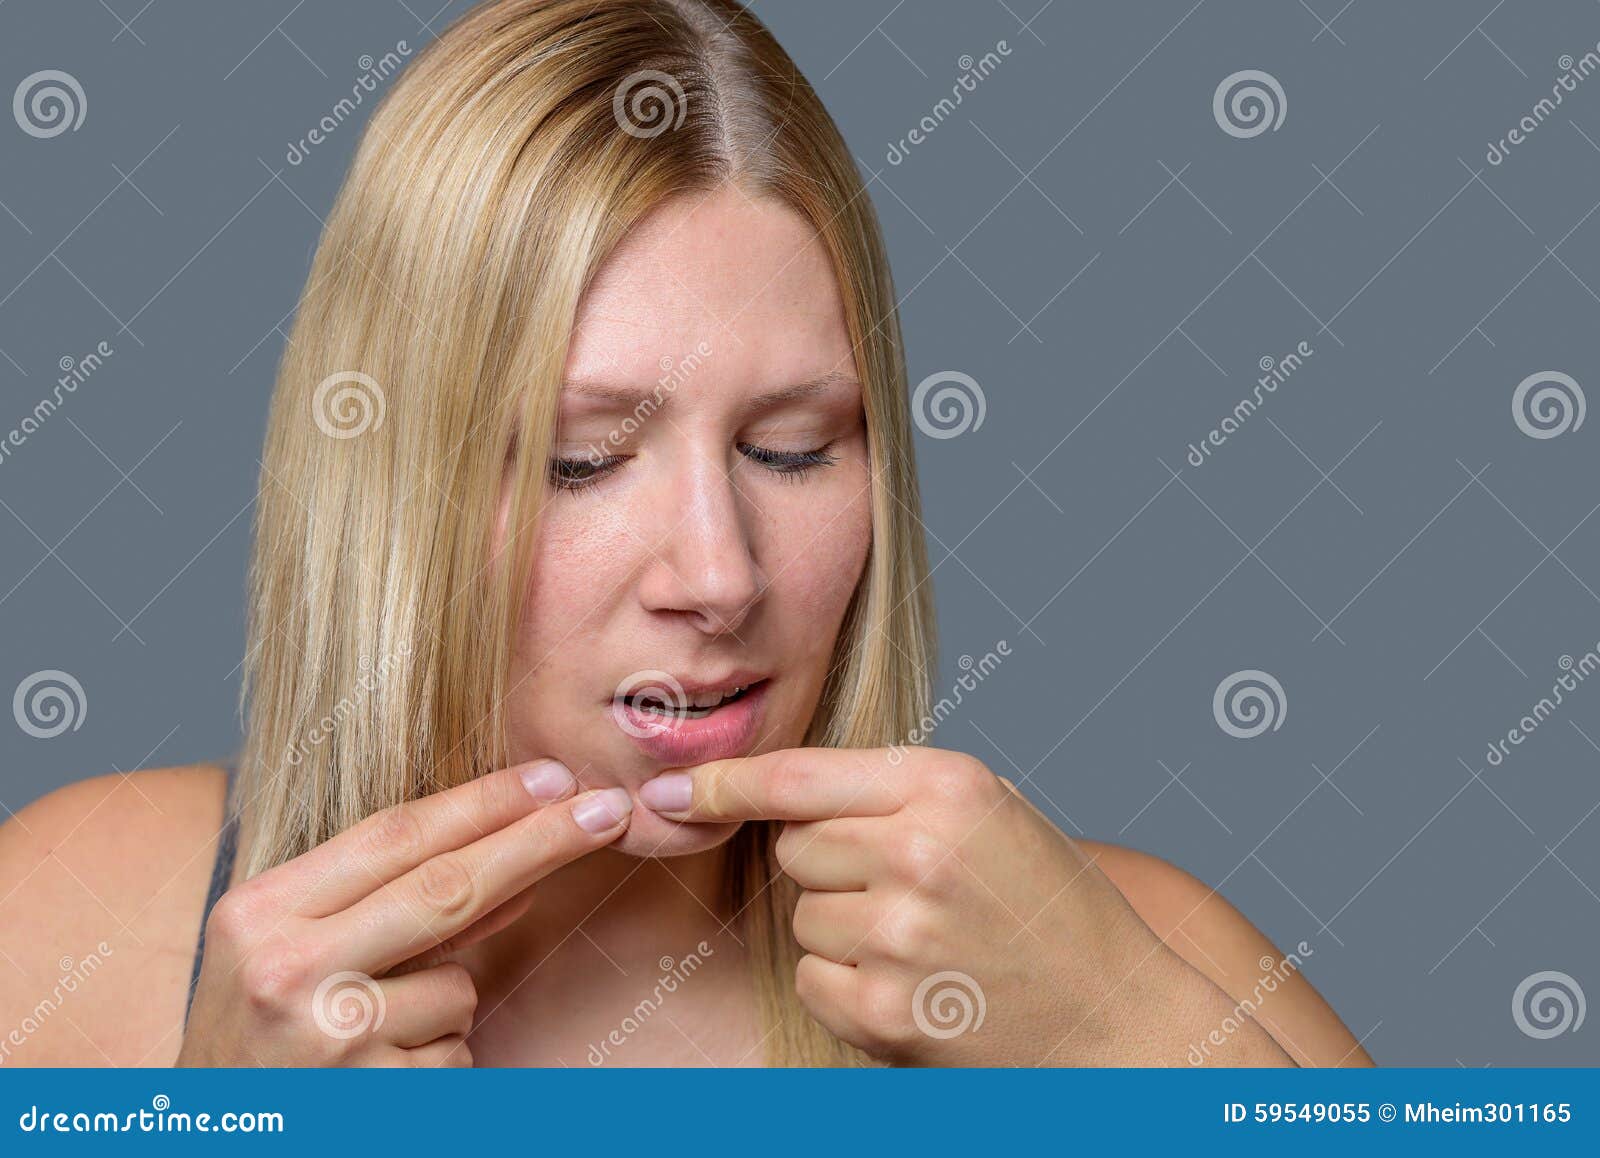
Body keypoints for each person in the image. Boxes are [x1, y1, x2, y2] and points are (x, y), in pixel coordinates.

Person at [0, 0, 1371, 1068]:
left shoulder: (1137, 954)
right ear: (390, 477)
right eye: (583, 460)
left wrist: (1121, 1042)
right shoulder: (82, 915)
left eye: (792, 447)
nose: (721, 576)